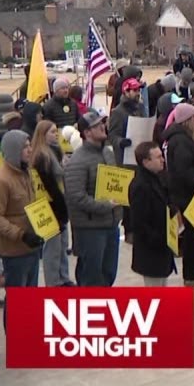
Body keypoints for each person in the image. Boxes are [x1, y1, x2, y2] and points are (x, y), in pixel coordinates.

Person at [0, 130, 44, 314]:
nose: (30, 149)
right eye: (25, 147)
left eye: (29, 145)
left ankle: (28, 335)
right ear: (13, 150)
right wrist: (21, 234)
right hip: (14, 250)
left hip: (32, 247)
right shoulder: (0, 180)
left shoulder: (25, 173)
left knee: (30, 301)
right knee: (17, 303)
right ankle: (15, 338)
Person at [64, 112, 120, 286]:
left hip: (111, 223)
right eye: (97, 126)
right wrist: (105, 206)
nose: (103, 127)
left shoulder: (107, 153)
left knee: (108, 273)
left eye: (102, 123)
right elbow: (76, 197)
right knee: (91, 276)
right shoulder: (78, 161)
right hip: (90, 229)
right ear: (87, 133)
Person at [161, 103, 194, 287]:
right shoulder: (181, 141)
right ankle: (191, 275)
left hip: (185, 194)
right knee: (193, 237)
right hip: (187, 195)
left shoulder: (179, 138)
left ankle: (193, 272)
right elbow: (183, 171)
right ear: (187, 120)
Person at [30, 121, 73, 286]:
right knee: (52, 249)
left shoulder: (56, 150)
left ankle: (63, 277)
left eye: (56, 132)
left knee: (62, 245)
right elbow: (49, 185)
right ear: (42, 135)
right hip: (49, 204)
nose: (56, 135)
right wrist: (61, 207)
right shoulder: (41, 156)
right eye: (52, 132)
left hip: (59, 200)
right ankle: (53, 282)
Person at [128, 142, 176, 286]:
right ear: (146, 162)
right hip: (152, 250)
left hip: (162, 247)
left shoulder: (159, 177)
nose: (163, 160)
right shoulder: (140, 186)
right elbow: (139, 222)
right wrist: (158, 239)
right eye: (158, 157)